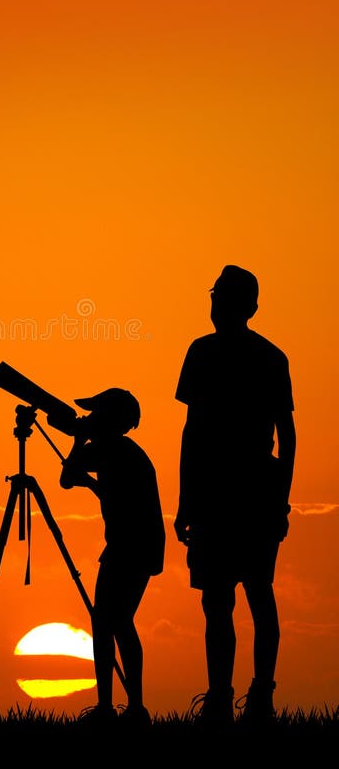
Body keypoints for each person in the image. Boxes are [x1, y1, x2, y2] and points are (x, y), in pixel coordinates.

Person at [174, 265, 296, 727]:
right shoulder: (207, 353)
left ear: (247, 307)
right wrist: (186, 500)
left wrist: (281, 499)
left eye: (223, 299)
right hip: (216, 495)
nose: (216, 307)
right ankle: (223, 699)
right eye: (214, 298)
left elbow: (286, 433)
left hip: (247, 494)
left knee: (253, 596)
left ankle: (257, 696)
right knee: (220, 600)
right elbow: (192, 431)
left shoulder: (265, 358)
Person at [54, 387, 165, 728]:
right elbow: (72, 479)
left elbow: (66, 477)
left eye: (95, 414)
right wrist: (82, 442)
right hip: (131, 545)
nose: (89, 418)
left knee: (111, 622)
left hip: (131, 546)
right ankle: (123, 707)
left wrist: (78, 439)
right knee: (110, 622)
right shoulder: (118, 449)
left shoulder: (114, 449)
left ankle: (126, 708)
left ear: (110, 419)